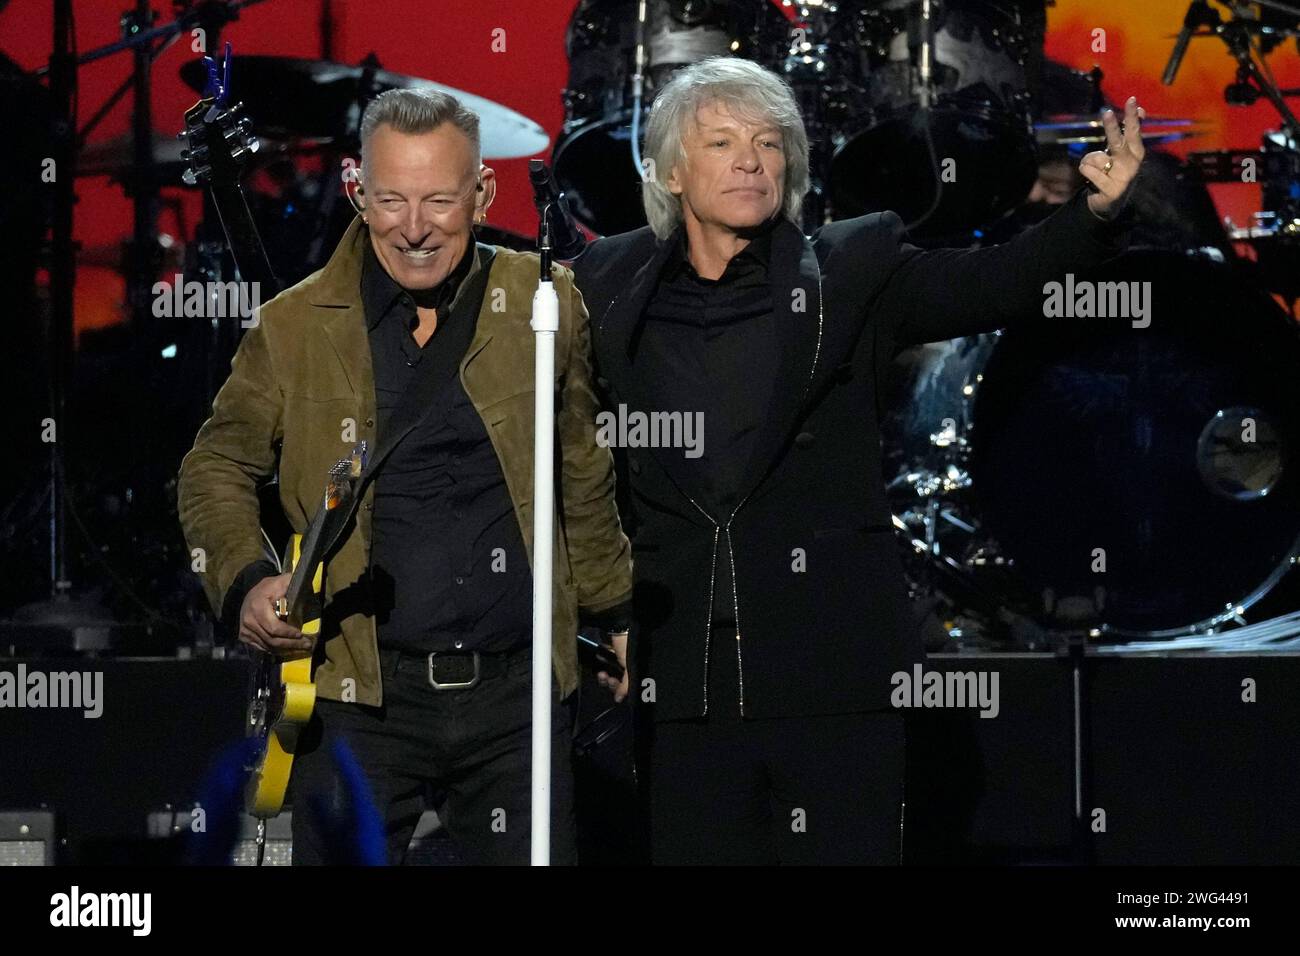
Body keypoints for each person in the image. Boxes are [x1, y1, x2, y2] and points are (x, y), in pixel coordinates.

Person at [570, 56, 1144, 864]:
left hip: (830, 669)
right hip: (684, 675)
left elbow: (995, 282)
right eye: (724, 142)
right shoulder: (605, 281)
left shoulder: (853, 270)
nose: (751, 160)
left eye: (770, 144)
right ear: (670, 169)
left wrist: (1095, 215)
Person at [178, 87, 632, 865]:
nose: (414, 228)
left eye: (438, 201)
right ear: (356, 189)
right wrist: (246, 580)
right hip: (354, 693)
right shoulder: (295, 325)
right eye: (390, 200)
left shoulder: (542, 300)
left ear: (482, 194)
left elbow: (581, 468)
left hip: (516, 696)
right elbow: (215, 464)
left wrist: (611, 614)